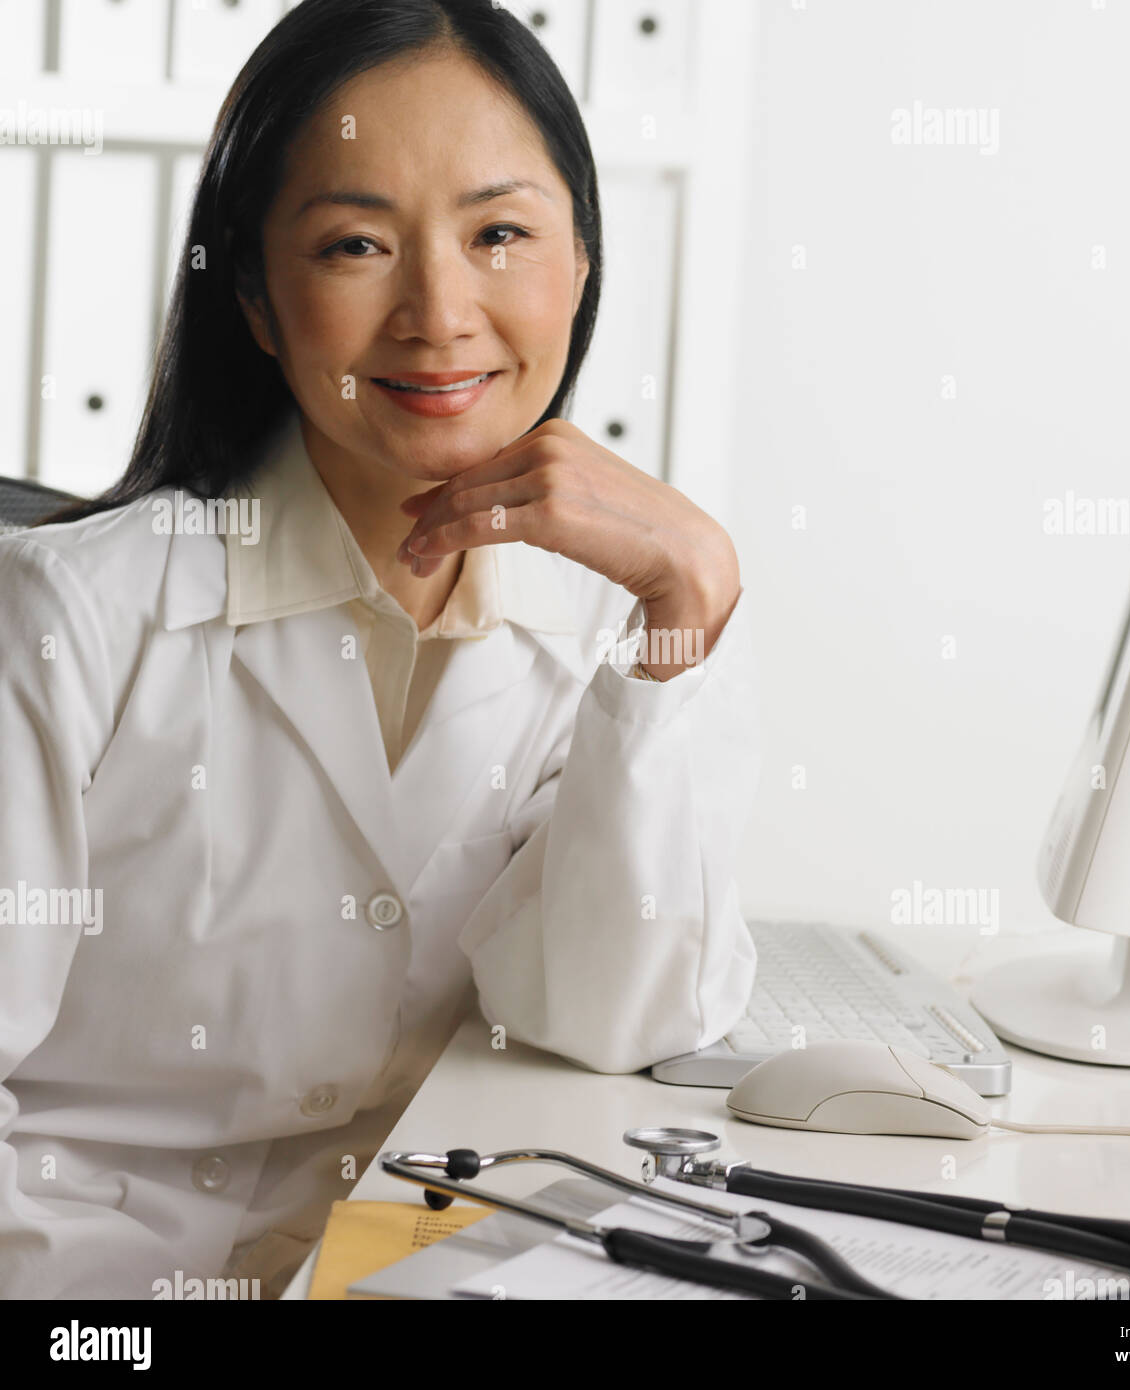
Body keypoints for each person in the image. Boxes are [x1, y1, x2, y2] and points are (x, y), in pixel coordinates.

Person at [0, 0, 759, 1300]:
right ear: (252, 294)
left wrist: (682, 604)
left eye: (500, 234)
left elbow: (613, 1018)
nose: (440, 313)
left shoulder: (585, 626)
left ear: (581, 265)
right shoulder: (66, 621)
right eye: (356, 244)